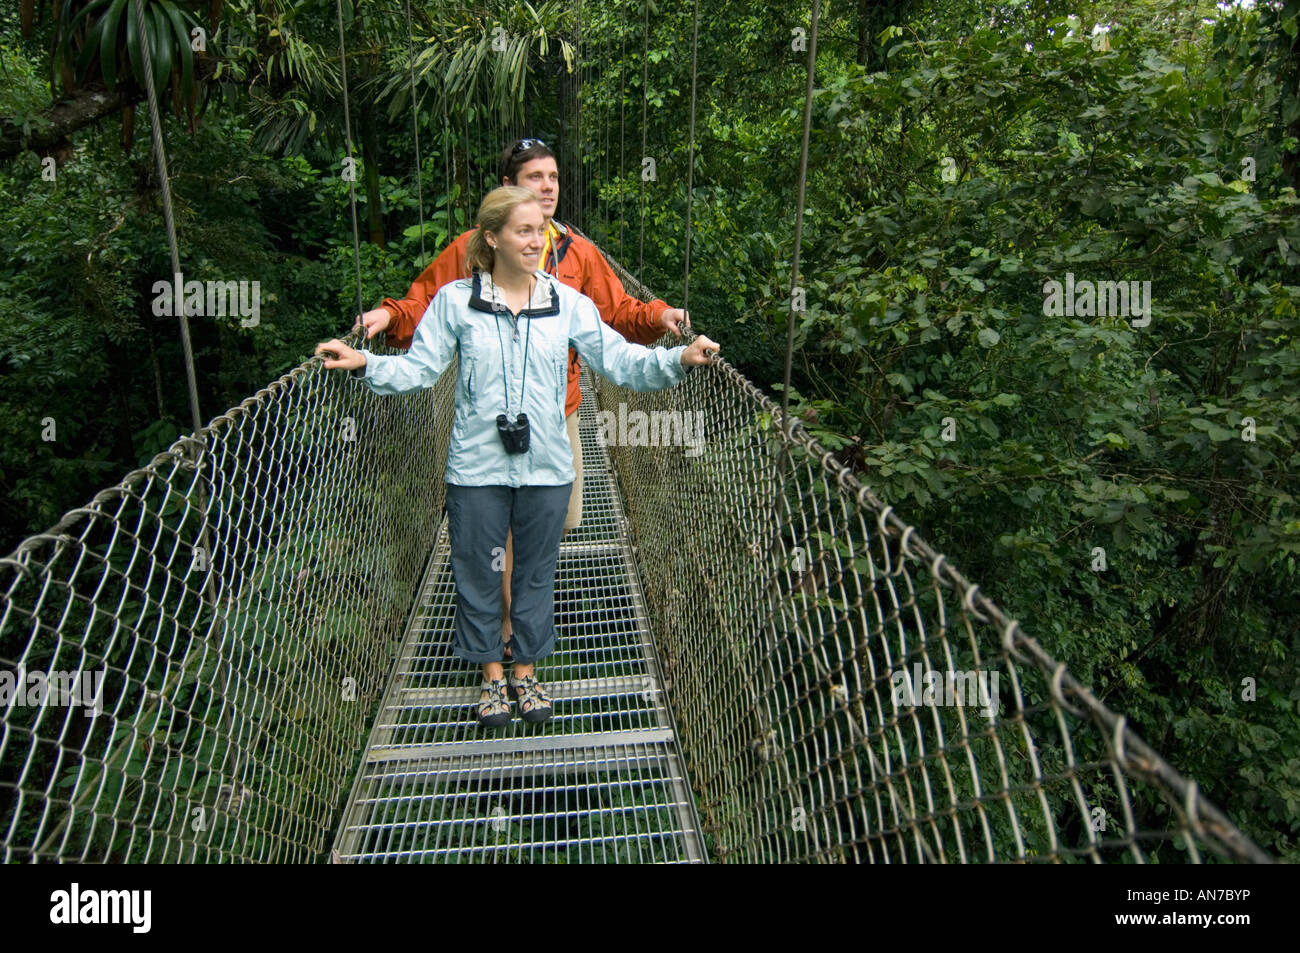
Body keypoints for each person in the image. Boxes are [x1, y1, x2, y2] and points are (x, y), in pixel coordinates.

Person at [316, 186, 719, 727]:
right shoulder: (456, 302)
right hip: (476, 468)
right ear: (492, 238)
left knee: (534, 573)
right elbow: (418, 370)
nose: (537, 241)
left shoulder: (568, 304)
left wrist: (679, 358)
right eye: (523, 231)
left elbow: (621, 362)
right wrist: (364, 361)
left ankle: (525, 673)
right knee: (479, 573)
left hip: (548, 467)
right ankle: (490, 677)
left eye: (542, 232)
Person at [355, 138, 689, 665]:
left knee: (548, 528)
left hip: (560, 413)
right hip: (487, 425)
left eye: (554, 177)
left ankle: (520, 631)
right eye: (535, 178)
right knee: (498, 531)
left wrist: (662, 318)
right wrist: (387, 320)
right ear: (507, 191)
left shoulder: (578, 254)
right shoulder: (472, 250)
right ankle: (504, 631)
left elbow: (618, 318)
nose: (548, 187)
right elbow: (426, 305)